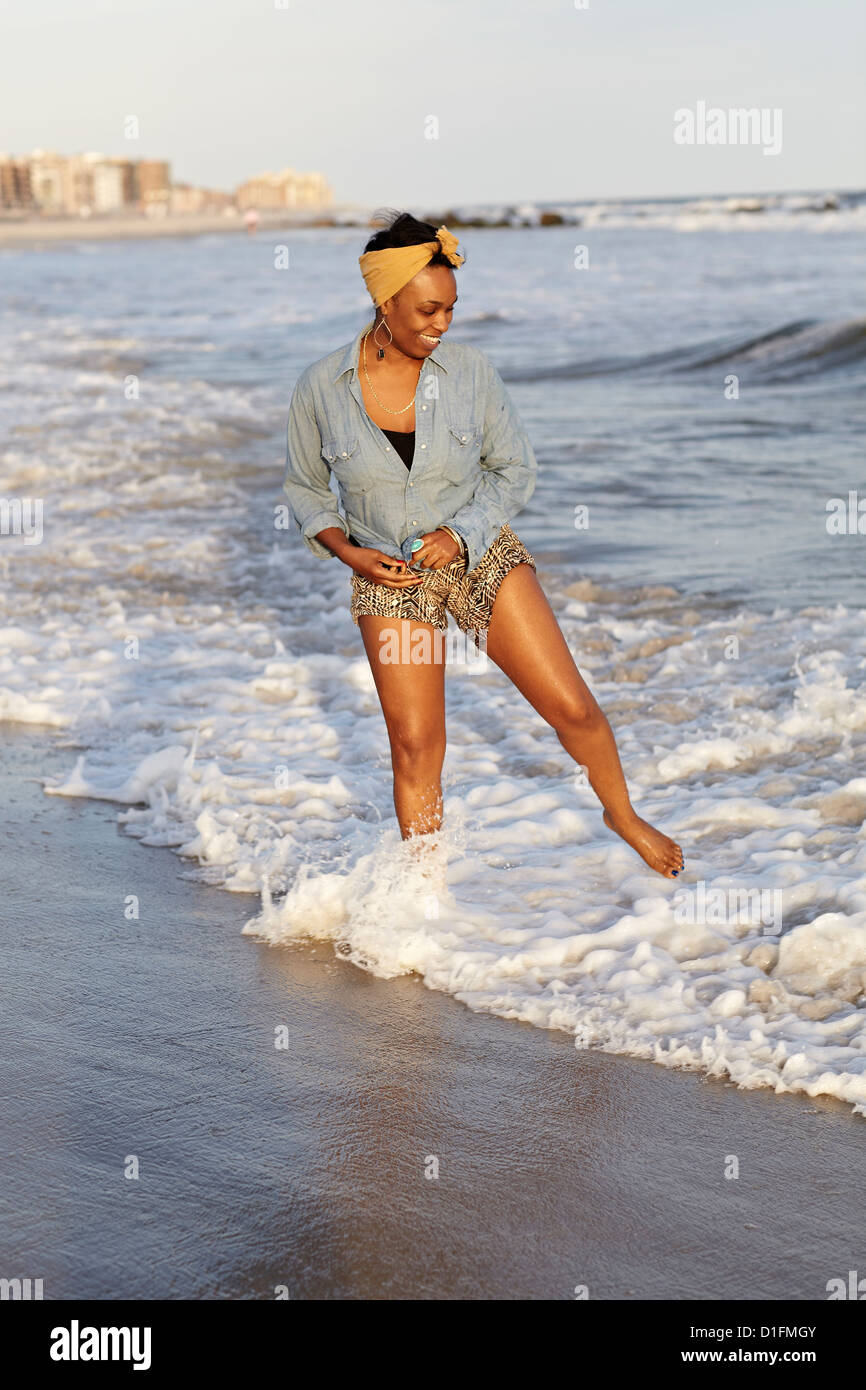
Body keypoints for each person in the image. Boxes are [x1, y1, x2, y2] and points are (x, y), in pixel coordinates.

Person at [283, 210, 684, 878]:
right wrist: (349, 552)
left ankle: (622, 812)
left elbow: (514, 470)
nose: (441, 325)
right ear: (385, 303)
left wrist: (459, 535)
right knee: (416, 747)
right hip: (392, 584)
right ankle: (424, 891)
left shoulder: (470, 374)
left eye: (450, 310)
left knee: (571, 707)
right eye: (427, 311)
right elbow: (305, 489)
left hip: (480, 561)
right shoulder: (322, 389)